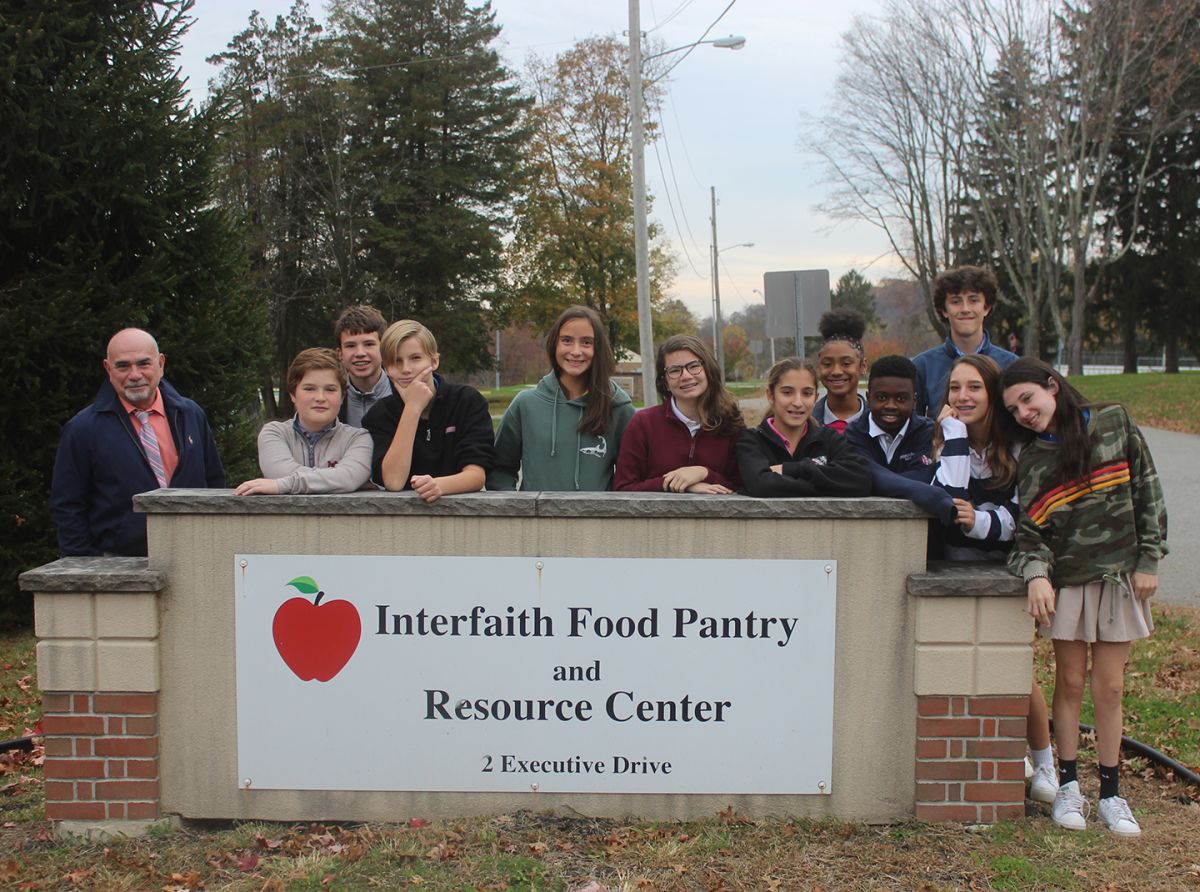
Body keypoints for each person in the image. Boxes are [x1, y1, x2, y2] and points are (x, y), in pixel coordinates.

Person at [1002, 358, 1167, 837]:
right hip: (1069, 583)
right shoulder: (1034, 458)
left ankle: (1113, 793)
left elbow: (1148, 490)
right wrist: (1036, 575)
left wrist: (1150, 559)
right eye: (1013, 410)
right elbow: (1031, 535)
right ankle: (1070, 786)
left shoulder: (1114, 421)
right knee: (1071, 683)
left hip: (1121, 578)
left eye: (1028, 399)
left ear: (1052, 385)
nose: (1023, 413)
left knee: (1110, 687)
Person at [931, 354, 1056, 805]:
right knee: (959, 661)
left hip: (1011, 567)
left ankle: (1044, 761)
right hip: (955, 565)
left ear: (992, 392)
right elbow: (950, 498)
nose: (962, 397)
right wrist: (958, 436)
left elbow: (1025, 518)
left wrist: (982, 522)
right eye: (955, 388)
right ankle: (1000, 748)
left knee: (1017, 668)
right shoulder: (949, 436)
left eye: (974, 388)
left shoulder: (1019, 446)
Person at [50, 328, 225, 556]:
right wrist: (88, 569)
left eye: (144, 363)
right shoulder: (82, 429)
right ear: (108, 369)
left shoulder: (191, 414)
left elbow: (214, 482)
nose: (134, 374)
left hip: (194, 555)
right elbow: (68, 506)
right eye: (123, 366)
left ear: (160, 364)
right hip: (119, 567)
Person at [488, 306, 634, 491]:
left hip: (597, 520)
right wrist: (517, 512)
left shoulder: (618, 408)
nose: (576, 351)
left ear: (598, 348)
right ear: (554, 344)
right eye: (567, 340)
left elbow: (632, 478)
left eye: (586, 343)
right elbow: (499, 470)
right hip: (535, 519)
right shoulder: (525, 405)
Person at [363, 319, 494, 503]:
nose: (406, 369)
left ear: (434, 361)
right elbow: (393, 481)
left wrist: (439, 486)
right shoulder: (379, 415)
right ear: (386, 369)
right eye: (396, 361)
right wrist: (412, 409)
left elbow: (476, 475)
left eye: (415, 358)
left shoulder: (467, 401)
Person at [613, 335, 743, 493]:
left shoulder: (731, 422)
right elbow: (623, 487)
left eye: (694, 366)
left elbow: (743, 485)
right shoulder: (643, 424)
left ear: (708, 369)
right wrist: (680, 485)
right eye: (675, 370)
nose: (686, 376)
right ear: (665, 381)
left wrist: (703, 473)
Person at [235, 348, 372, 495]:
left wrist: (283, 485)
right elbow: (278, 472)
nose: (320, 397)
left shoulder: (358, 438)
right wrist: (332, 479)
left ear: (342, 397)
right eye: (309, 389)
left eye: (330, 389)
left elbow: (348, 479)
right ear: (293, 394)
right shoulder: (274, 433)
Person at [844, 355, 955, 524]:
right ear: (868, 397)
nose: (890, 405)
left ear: (914, 401)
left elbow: (924, 476)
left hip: (918, 530)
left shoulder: (928, 431)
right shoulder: (853, 433)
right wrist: (928, 494)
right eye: (881, 398)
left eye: (901, 399)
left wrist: (879, 481)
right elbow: (862, 476)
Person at [737, 358, 870, 497]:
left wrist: (791, 469)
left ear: (815, 398)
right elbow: (761, 485)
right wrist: (830, 484)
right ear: (770, 395)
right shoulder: (751, 441)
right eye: (787, 392)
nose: (798, 402)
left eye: (807, 393)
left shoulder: (829, 439)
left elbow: (861, 479)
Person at [912, 265, 1017, 417]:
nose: (965, 309)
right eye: (956, 302)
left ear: (986, 307)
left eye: (973, 300)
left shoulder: (1010, 365)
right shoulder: (922, 367)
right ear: (944, 310)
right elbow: (915, 428)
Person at [334, 305, 393, 427]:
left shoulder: (403, 394)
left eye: (369, 344)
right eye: (350, 346)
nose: (360, 353)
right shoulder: (331, 397)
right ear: (340, 354)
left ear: (384, 348)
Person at [813, 307, 868, 434]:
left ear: (863, 366)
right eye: (827, 364)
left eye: (846, 363)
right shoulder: (804, 423)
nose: (836, 371)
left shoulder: (879, 422)